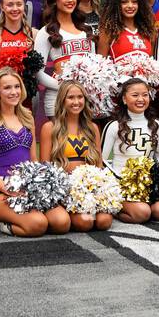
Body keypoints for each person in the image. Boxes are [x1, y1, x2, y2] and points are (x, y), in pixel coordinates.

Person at [0, 67, 71, 237]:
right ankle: (1, 225)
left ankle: (23, 216)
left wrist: (39, 187)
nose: (14, 92)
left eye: (17, 87)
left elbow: (34, 160)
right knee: (37, 224)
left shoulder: (27, 117)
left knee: (61, 222)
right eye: (7, 88)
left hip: (28, 187)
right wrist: (8, 189)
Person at [39, 81, 109, 232]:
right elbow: (45, 168)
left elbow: (99, 165)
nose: (76, 102)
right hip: (62, 189)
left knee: (104, 222)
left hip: (88, 188)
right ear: (62, 100)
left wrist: (96, 189)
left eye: (80, 97)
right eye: (71, 97)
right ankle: (63, 214)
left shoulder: (92, 128)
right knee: (85, 223)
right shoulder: (50, 128)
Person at [102, 78, 159, 224]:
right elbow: (102, 159)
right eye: (135, 95)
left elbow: (158, 156)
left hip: (147, 183)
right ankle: (115, 209)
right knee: (142, 213)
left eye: (145, 95)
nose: (141, 99)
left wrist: (153, 178)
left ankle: (138, 207)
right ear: (124, 99)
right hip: (122, 184)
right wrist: (122, 179)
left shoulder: (156, 125)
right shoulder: (114, 125)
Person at [33, 0, 96, 120]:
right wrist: (65, 88)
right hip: (58, 98)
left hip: (83, 98)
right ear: (55, 1)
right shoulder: (46, 31)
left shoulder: (86, 29)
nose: (70, 0)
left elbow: (95, 65)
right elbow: (37, 71)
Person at [97, 0, 156, 65]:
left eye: (134, 2)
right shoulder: (108, 30)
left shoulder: (148, 31)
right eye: (124, 2)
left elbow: (151, 63)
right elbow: (100, 64)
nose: (130, 6)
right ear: (116, 5)